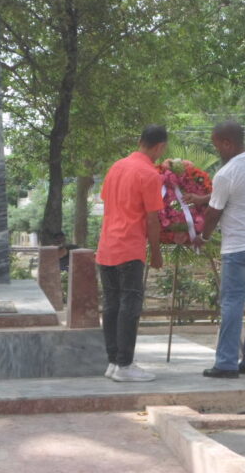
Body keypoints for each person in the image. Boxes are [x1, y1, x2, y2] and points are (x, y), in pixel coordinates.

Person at [188, 121, 245, 378]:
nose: (218, 151)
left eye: (218, 146)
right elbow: (238, 193)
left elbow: (215, 213)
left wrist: (203, 238)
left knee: (232, 303)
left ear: (227, 143)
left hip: (239, 247)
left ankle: (226, 363)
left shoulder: (225, 173)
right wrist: (203, 198)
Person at [96, 124, 167, 383]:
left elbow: (108, 201)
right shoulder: (149, 174)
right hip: (129, 247)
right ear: (160, 147)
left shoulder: (116, 167)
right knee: (130, 305)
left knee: (112, 304)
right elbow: (151, 220)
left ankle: (113, 362)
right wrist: (156, 252)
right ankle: (125, 364)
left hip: (106, 246)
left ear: (140, 141)